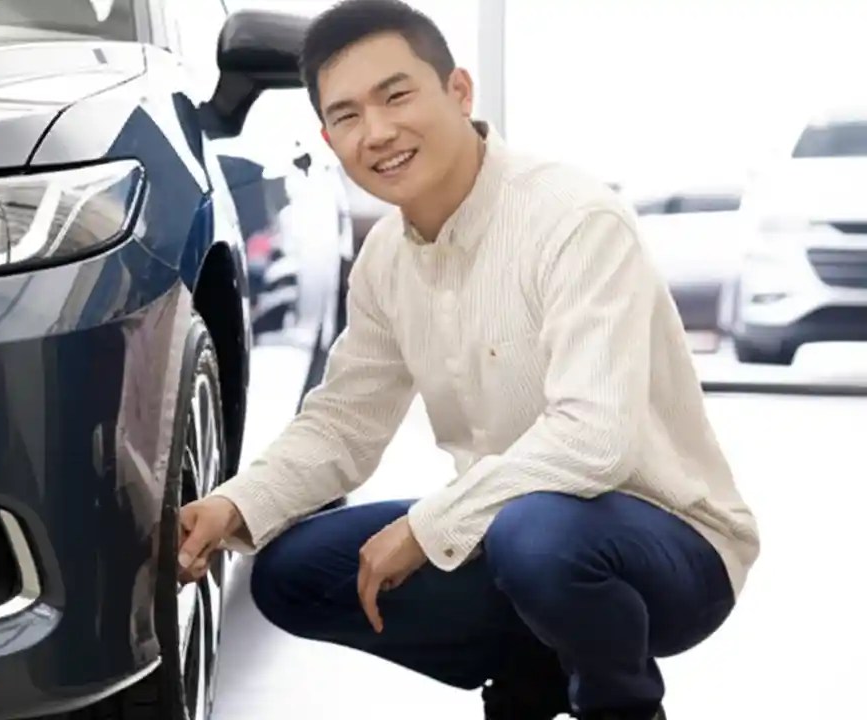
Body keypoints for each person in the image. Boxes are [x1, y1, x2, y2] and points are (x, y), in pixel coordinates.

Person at [176, 1, 761, 718]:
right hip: (515, 539)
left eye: (397, 96)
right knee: (293, 573)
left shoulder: (574, 219)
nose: (379, 132)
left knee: (532, 536)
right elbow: (343, 424)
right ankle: (532, 674)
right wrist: (237, 500)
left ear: (458, 91)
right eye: (349, 116)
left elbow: (592, 437)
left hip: (672, 545)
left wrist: (426, 529)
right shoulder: (386, 260)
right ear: (329, 139)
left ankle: (622, 706)